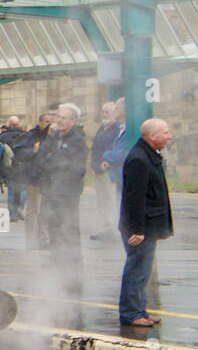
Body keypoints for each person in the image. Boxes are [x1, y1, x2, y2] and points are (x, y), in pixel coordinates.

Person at [118, 118, 173, 327]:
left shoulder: (149, 155)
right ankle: (130, 313)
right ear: (152, 136)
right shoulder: (139, 159)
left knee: (143, 271)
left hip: (148, 226)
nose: (169, 136)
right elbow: (135, 198)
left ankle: (140, 309)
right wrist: (137, 229)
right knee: (136, 269)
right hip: (141, 228)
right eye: (165, 132)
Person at [37, 103, 87, 265]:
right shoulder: (53, 138)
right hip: (51, 188)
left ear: (73, 121)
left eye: (63, 118)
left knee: (69, 225)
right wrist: (52, 158)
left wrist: (53, 158)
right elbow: (41, 158)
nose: (59, 120)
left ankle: (73, 260)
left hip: (68, 191)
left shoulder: (77, 140)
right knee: (53, 224)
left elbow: (72, 164)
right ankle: (55, 257)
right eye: (58, 117)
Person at [15, 111, 53, 248]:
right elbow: (18, 152)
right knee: (33, 210)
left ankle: (43, 238)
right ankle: (30, 239)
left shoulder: (52, 138)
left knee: (44, 211)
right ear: (40, 122)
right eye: (47, 122)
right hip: (34, 178)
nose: (49, 125)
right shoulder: (31, 136)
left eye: (51, 122)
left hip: (47, 179)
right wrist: (33, 151)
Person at [88, 101, 120, 241]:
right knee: (101, 200)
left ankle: (111, 228)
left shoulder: (117, 129)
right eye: (103, 111)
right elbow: (94, 148)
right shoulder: (102, 128)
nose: (104, 114)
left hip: (109, 170)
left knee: (111, 199)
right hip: (98, 169)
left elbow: (116, 149)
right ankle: (104, 226)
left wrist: (106, 162)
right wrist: (95, 164)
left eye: (107, 112)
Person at [0, 115, 29, 221]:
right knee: (23, 188)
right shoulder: (25, 135)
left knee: (11, 189)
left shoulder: (3, 136)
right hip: (22, 166)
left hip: (9, 167)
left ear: (9, 124)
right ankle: (21, 207)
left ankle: (13, 213)